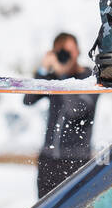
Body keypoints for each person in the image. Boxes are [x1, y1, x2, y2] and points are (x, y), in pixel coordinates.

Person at [23, 33, 100, 197]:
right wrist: (43, 70)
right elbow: (28, 100)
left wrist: (62, 76)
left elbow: (76, 110)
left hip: (76, 162)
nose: (69, 56)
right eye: (63, 52)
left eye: (71, 51)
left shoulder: (89, 79)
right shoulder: (54, 79)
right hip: (48, 160)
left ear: (78, 51)